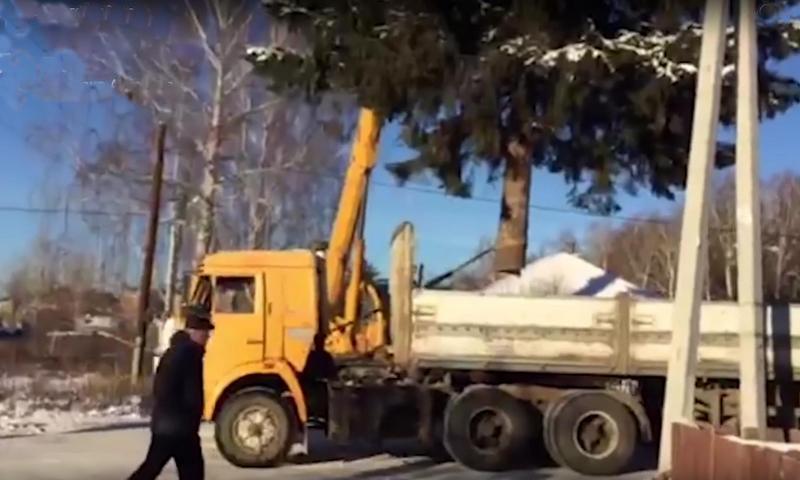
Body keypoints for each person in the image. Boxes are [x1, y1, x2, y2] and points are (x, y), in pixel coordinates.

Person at [128, 304, 214, 480]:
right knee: (191, 472)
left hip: (166, 423)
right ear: (194, 332)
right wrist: (193, 415)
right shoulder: (191, 354)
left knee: (152, 468)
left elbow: (161, 387)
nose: (207, 338)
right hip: (180, 427)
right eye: (205, 333)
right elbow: (192, 392)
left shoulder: (174, 351)